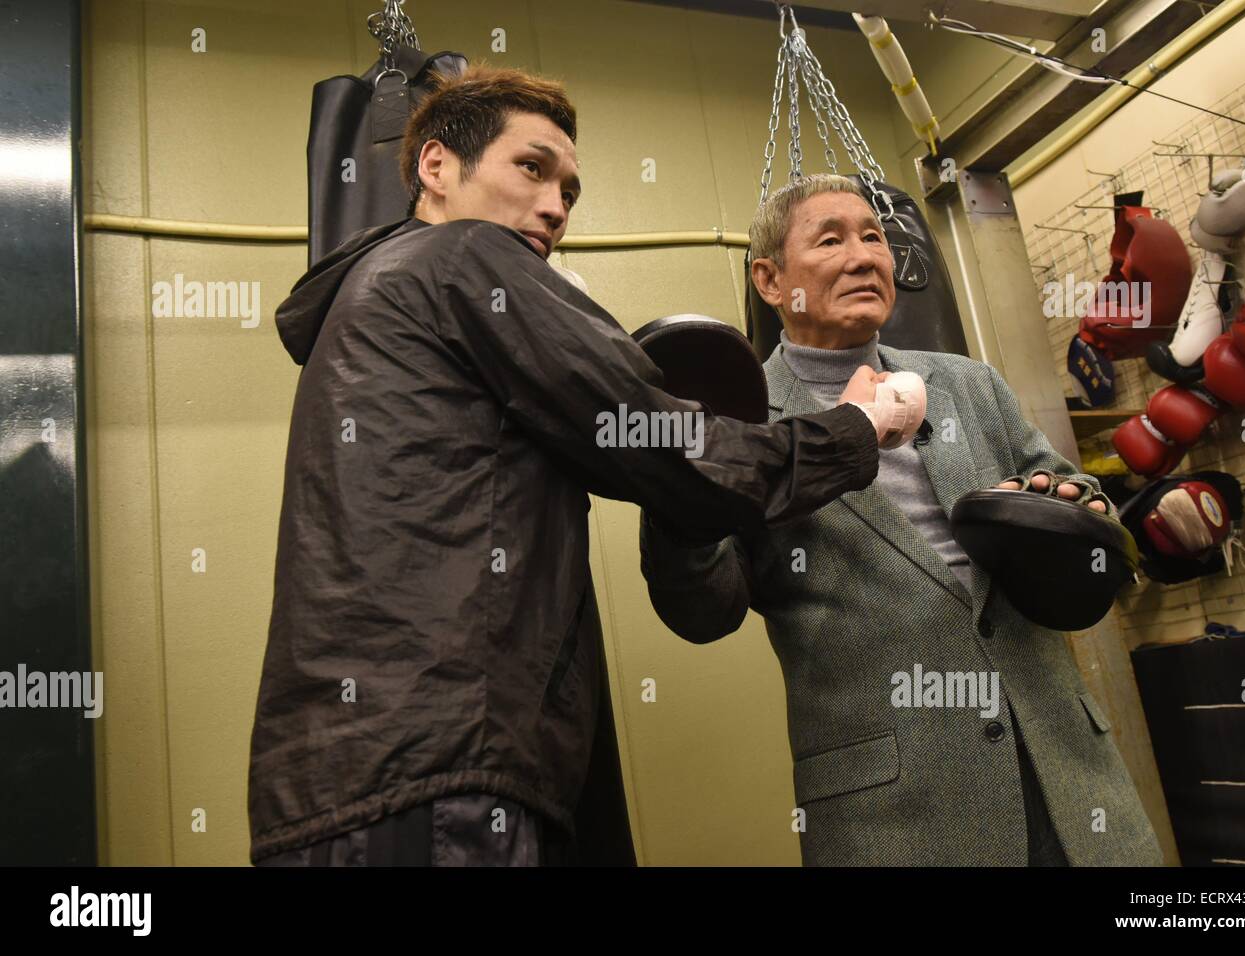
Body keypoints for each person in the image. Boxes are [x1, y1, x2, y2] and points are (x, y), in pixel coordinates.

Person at [247, 67, 891, 866]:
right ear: (437, 167)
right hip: (436, 780)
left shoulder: (381, 293)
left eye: (570, 191)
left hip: (350, 789)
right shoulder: (460, 262)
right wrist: (858, 429)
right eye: (532, 168)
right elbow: (668, 453)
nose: (554, 206)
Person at [640, 173, 1165, 866]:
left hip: (1066, 773)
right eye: (831, 239)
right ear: (770, 280)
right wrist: (678, 486)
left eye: (874, 237)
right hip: (897, 813)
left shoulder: (968, 384)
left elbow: (1071, 497)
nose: (865, 257)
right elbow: (702, 611)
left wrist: (1079, 514)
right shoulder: (738, 419)